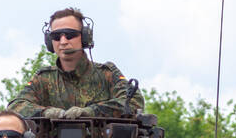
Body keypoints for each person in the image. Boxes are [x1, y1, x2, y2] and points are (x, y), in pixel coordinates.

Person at [7, 7, 144, 119]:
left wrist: (91, 112)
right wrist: (46, 112)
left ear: (84, 37)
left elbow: (134, 102)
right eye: (56, 36)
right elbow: (15, 106)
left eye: (70, 34)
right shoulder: (43, 79)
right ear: (49, 42)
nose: (63, 41)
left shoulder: (106, 74)